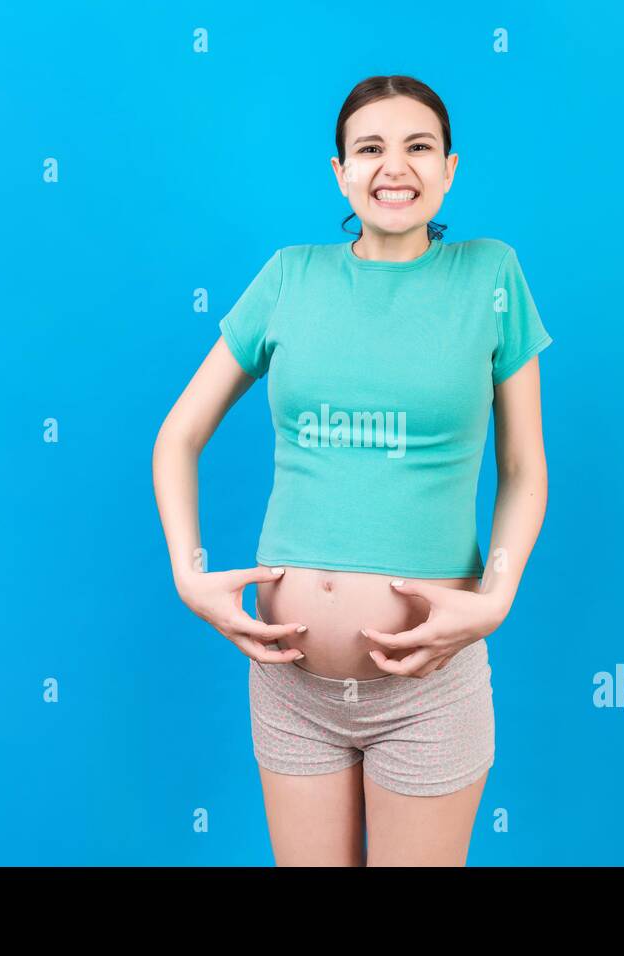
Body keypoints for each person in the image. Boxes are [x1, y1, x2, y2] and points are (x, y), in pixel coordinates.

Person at [152, 74, 551, 866]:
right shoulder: (289, 277)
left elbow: (522, 466)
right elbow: (178, 437)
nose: (393, 167)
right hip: (293, 685)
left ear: (449, 169)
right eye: (369, 148)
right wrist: (188, 576)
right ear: (340, 171)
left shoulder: (491, 277)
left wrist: (498, 593)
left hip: (428, 690)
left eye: (417, 147)